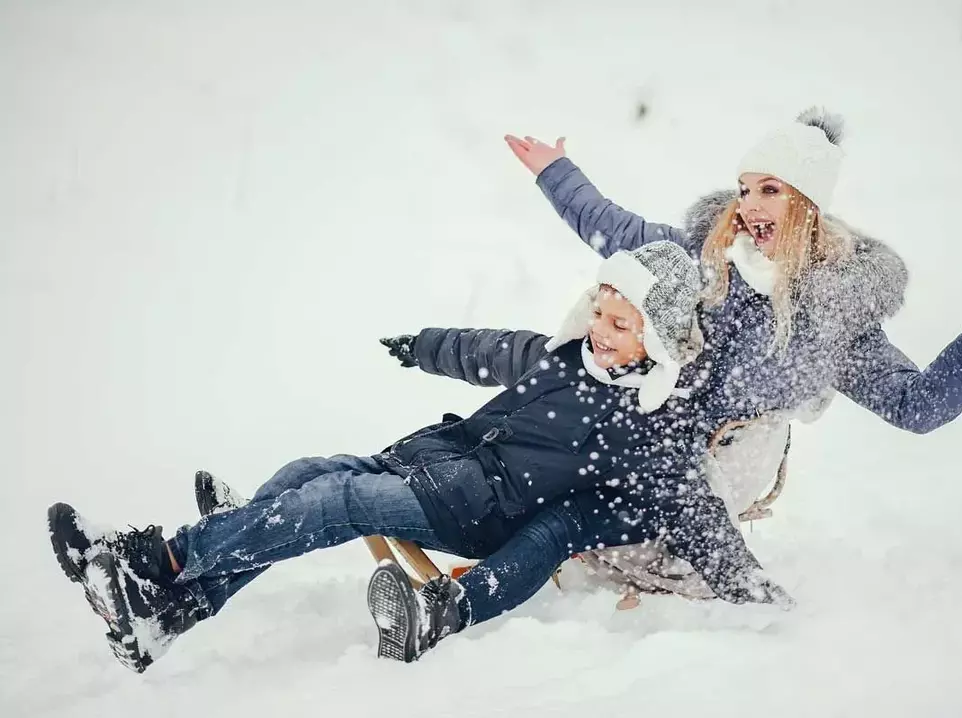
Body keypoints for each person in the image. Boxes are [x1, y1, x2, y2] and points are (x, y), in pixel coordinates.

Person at [47, 241, 785, 673]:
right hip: (440, 463)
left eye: (622, 323)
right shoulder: (563, 357)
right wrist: (424, 345)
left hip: (477, 511)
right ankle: (168, 615)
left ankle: (159, 563)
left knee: (337, 502)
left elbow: (692, 510)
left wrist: (752, 588)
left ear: (655, 334)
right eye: (599, 311)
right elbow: (488, 351)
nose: (600, 330)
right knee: (309, 473)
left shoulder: (644, 426)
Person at [491, 107, 962, 602]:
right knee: (603, 316)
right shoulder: (707, 254)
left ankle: (672, 563)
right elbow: (613, 228)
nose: (748, 204)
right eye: (744, 188)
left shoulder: (834, 309)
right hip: (668, 432)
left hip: (738, 451)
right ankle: (524, 519)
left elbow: (917, 407)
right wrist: (555, 171)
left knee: (637, 504)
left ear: (807, 203)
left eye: (770, 189)